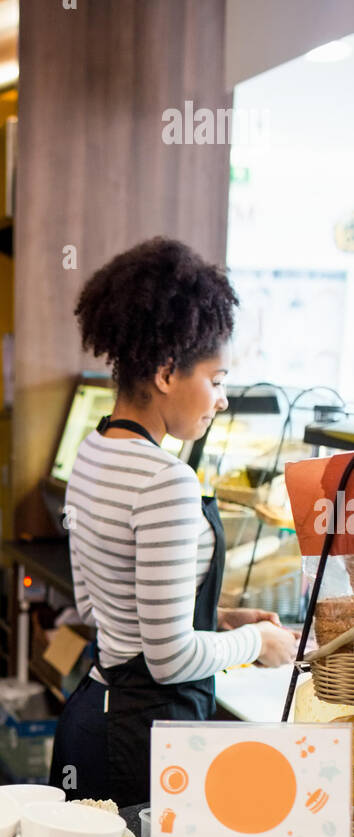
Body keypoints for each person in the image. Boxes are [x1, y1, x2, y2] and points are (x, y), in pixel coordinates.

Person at [48, 237, 298, 806]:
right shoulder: (167, 480)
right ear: (166, 372)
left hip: (92, 716)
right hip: (143, 740)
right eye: (217, 379)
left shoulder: (92, 451)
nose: (223, 400)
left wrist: (218, 613)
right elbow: (170, 658)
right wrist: (254, 640)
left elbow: (98, 606)